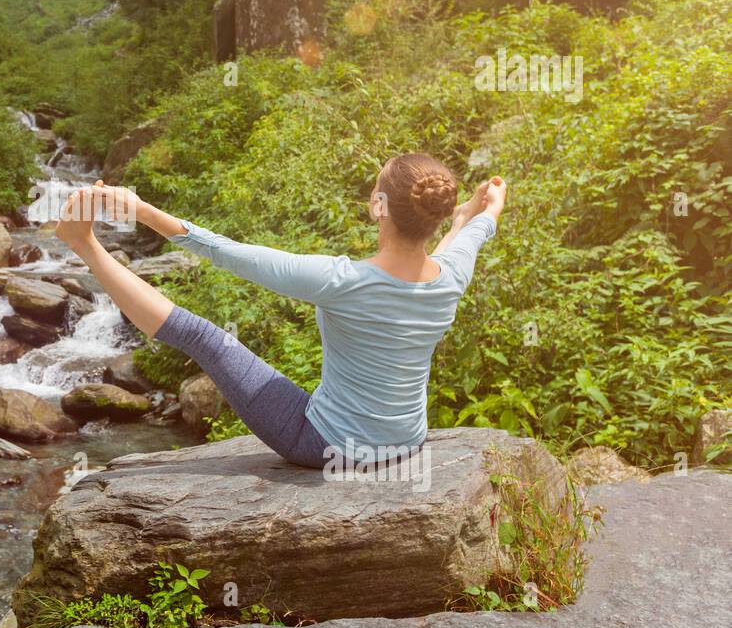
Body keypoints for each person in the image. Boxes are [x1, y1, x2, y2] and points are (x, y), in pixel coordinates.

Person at [54, 153, 507, 468]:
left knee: (206, 338)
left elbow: (226, 252)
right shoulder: (451, 277)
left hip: (325, 446)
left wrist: (140, 209)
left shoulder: (339, 279)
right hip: (406, 444)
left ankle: (84, 244)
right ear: (435, 216)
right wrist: (474, 213)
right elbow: (472, 235)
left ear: (378, 207)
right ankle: (84, 243)